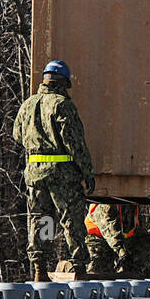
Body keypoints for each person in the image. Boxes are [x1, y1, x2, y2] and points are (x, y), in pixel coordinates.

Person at [13, 59, 97, 282]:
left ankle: (40, 269)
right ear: (63, 82)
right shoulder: (62, 105)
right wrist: (87, 172)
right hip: (62, 175)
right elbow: (75, 143)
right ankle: (79, 269)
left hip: (35, 174)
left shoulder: (28, 105)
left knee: (42, 221)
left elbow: (17, 136)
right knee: (71, 220)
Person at [85, 202, 141, 276]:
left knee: (147, 241)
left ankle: (130, 272)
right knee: (98, 272)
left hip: (121, 244)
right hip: (98, 243)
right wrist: (122, 253)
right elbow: (110, 231)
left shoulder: (130, 204)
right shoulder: (104, 205)